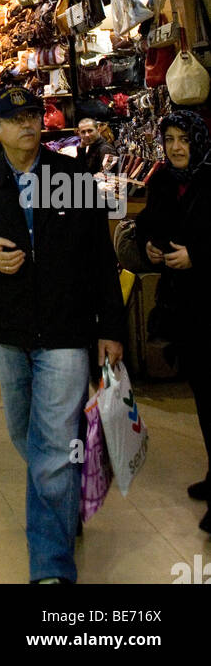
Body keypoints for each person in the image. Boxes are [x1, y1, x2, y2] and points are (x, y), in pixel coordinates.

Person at [0, 86, 125, 584]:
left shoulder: (71, 178)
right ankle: (62, 503)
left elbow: (100, 258)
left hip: (67, 331)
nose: (29, 123)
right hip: (6, 331)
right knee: (27, 434)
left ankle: (51, 566)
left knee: (52, 446)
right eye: (16, 118)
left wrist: (110, 328)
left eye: (33, 115)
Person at [135, 111, 211, 533]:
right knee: (202, 391)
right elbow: (152, 224)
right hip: (186, 306)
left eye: (184, 138)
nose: (177, 146)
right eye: (170, 138)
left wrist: (197, 256)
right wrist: (150, 246)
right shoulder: (163, 180)